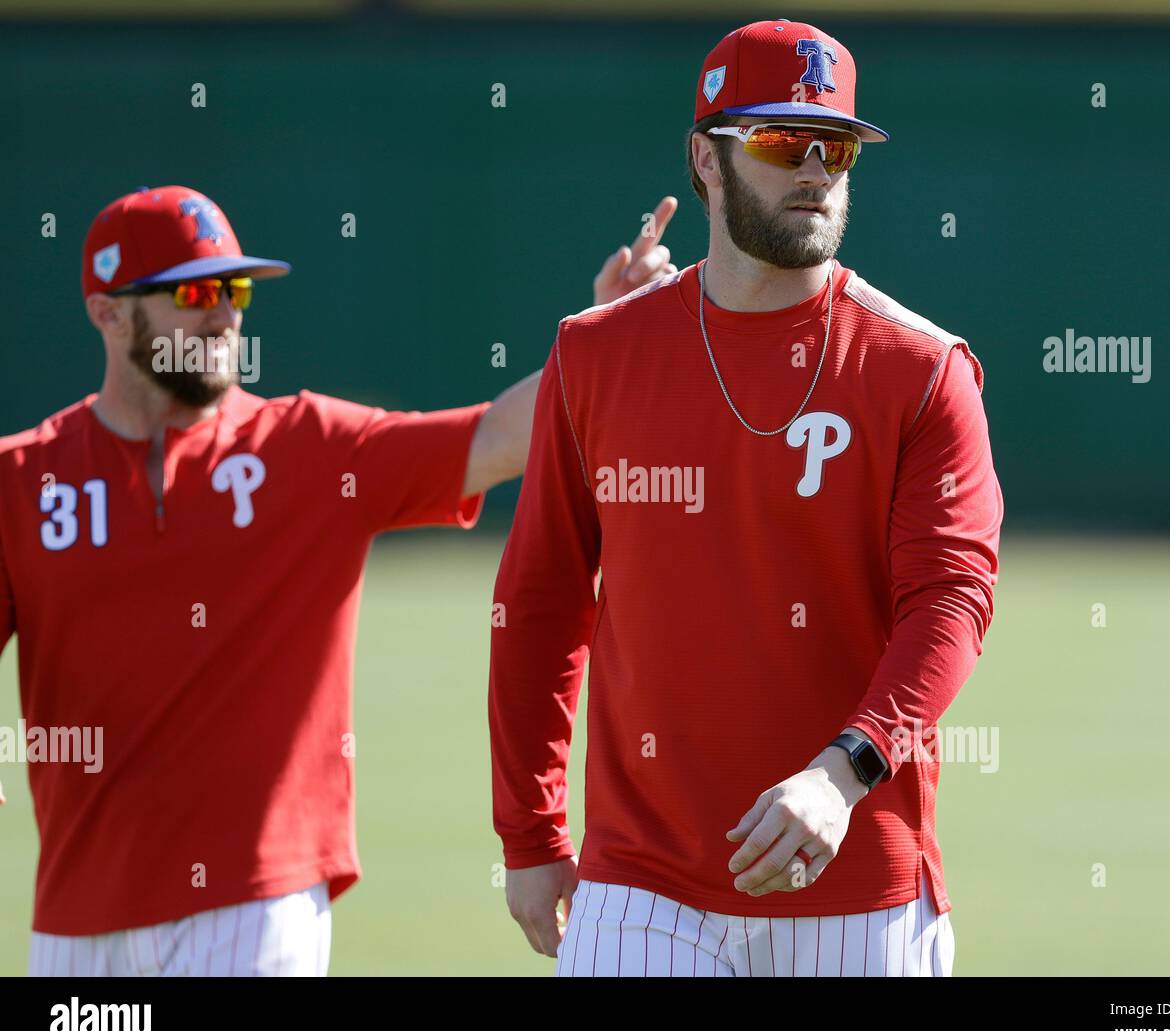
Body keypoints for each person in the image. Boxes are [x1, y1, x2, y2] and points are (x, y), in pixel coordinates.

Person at [0, 183, 676, 976]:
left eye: (234, 288)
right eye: (193, 292)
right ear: (108, 312)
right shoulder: (24, 479)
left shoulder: (308, 448)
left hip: (257, 907)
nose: (224, 314)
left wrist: (600, 338)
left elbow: (498, 434)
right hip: (76, 923)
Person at [489, 19, 1004, 977]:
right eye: (779, 141)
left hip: (859, 878)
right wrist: (528, 831)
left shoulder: (923, 368)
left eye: (835, 146)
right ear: (705, 158)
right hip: (640, 883)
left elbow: (952, 600)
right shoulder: (596, 353)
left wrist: (843, 768)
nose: (814, 168)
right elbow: (540, 598)